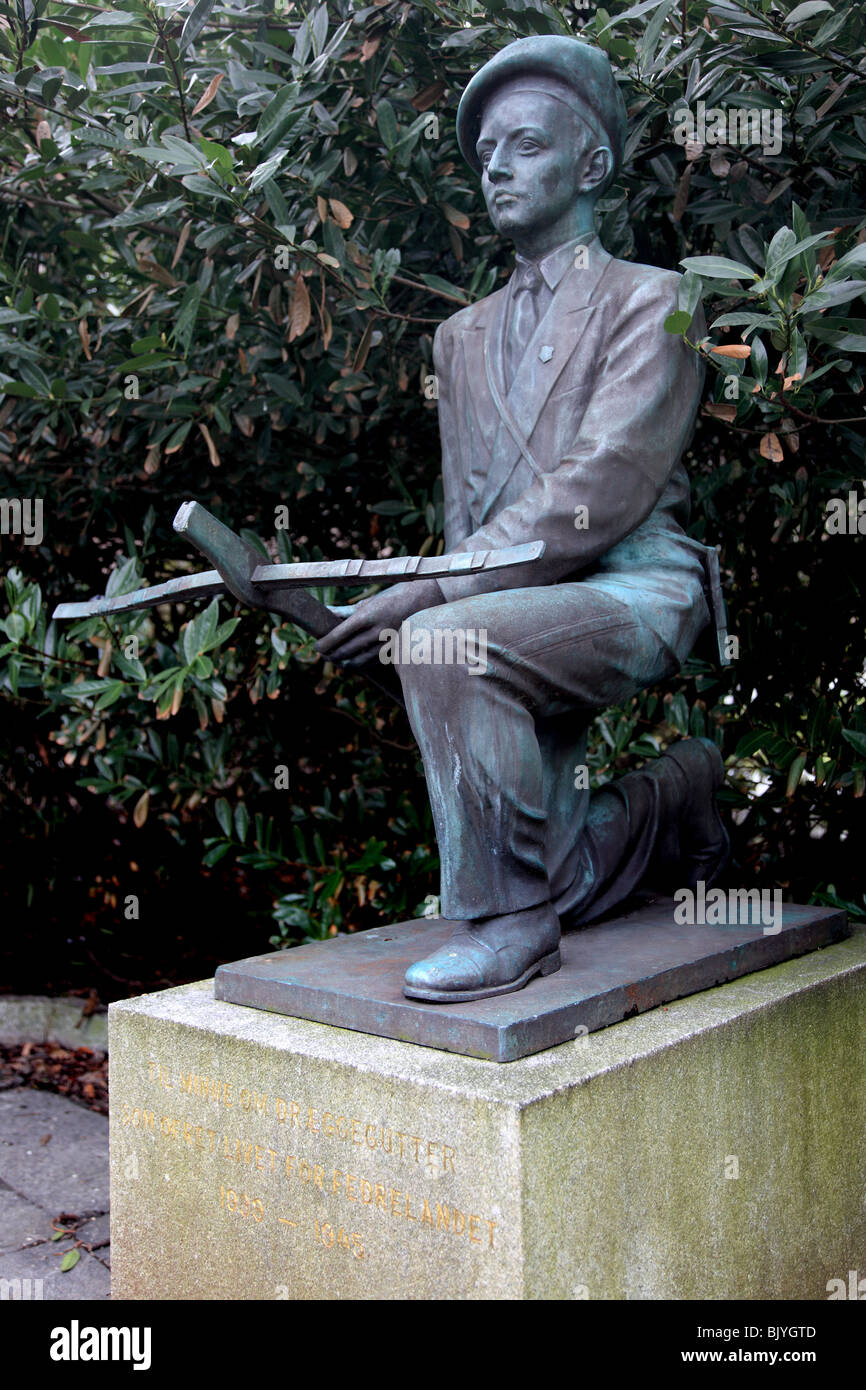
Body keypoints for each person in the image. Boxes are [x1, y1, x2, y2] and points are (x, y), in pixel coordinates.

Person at [316, 36, 729, 1003]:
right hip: (508, 599)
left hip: (634, 586)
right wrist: (394, 609)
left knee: (449, 641)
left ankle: (513, 923)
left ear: (592, 167)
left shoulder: (659, 301)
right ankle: (677, 792)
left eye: (527, 146)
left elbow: (603, 486)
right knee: (569, 865)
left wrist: (437, 602)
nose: (496, 168)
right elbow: (470, 515)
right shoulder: (457, 340)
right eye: (487, 153)